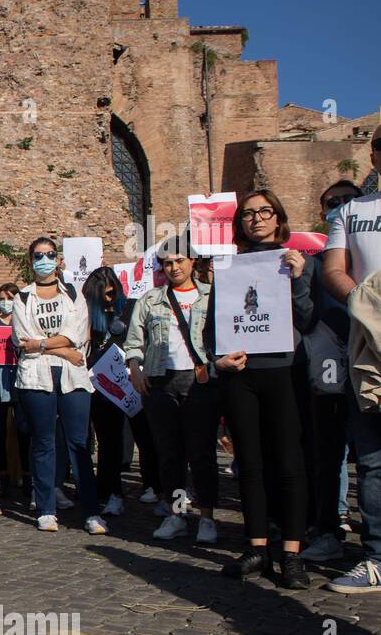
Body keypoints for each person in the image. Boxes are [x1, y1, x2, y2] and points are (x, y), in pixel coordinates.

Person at [206, 189, 313, 587]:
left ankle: (292, 553)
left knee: (289, 463)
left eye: (264, 211)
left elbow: (307, 319)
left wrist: (299, 281)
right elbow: (212, 328)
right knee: (249, 463)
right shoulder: (229, 267)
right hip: (241, 375)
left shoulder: (298, 264)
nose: (256, 219)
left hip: (284, 371)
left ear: (278, 217)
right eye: (248, 214)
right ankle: (256, 548)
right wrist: (217, 360)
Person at [124, 245, 220, 545]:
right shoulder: (150, 299)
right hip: (160, 380)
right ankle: (177, 514)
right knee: (169, 454)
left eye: (179, 261)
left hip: (199, 379)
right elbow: (134, 341)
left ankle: (206, 517)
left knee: (202, 452)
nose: (174, 268)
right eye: (167, 263)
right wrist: (135, 368)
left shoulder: (210, 296)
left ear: (192, 261)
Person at [12, 238, 106, 535]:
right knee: (43, 442)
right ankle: (46, 509)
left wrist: (44, 344)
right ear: (31, 261)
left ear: (59, 259)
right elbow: (22, 341)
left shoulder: (73, 293)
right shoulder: (23, 297)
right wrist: (61, 349)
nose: (44, 260)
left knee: (79, 443)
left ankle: (91, 511)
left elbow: (77, 334)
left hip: (72, 376)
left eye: (49, 255)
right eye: (38, 256)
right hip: (36, 376)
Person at [321, 132, 381, 593]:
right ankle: (377, 556)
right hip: (370, 344)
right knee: (374, 459)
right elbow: (334, 270)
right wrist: (366, 305)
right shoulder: (349, 213)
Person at [301, 180, 362, 565]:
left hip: (368, 363)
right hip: (329, 368)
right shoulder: (318, 265)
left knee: (371, 459)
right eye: (331, 203)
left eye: (346, 200)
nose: (338, 206)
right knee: (328, 451)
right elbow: (306, 316)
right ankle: (330, 525)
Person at [82, 266, 159, 521]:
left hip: (133, 381)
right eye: (103, 295)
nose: (108, 300)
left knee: (146, 436)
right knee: (109, 441)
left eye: (112, 293)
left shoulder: (129, 308)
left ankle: (155, 487)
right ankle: (112, 492)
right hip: (103, 386)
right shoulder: (87, 318)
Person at [0, 283, 30, 501]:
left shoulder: (24, 323)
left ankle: (27, 478)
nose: (5, 302)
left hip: (20, 380)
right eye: (2, 297)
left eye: (10, 297)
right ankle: (2, 478)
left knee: (23, 430)